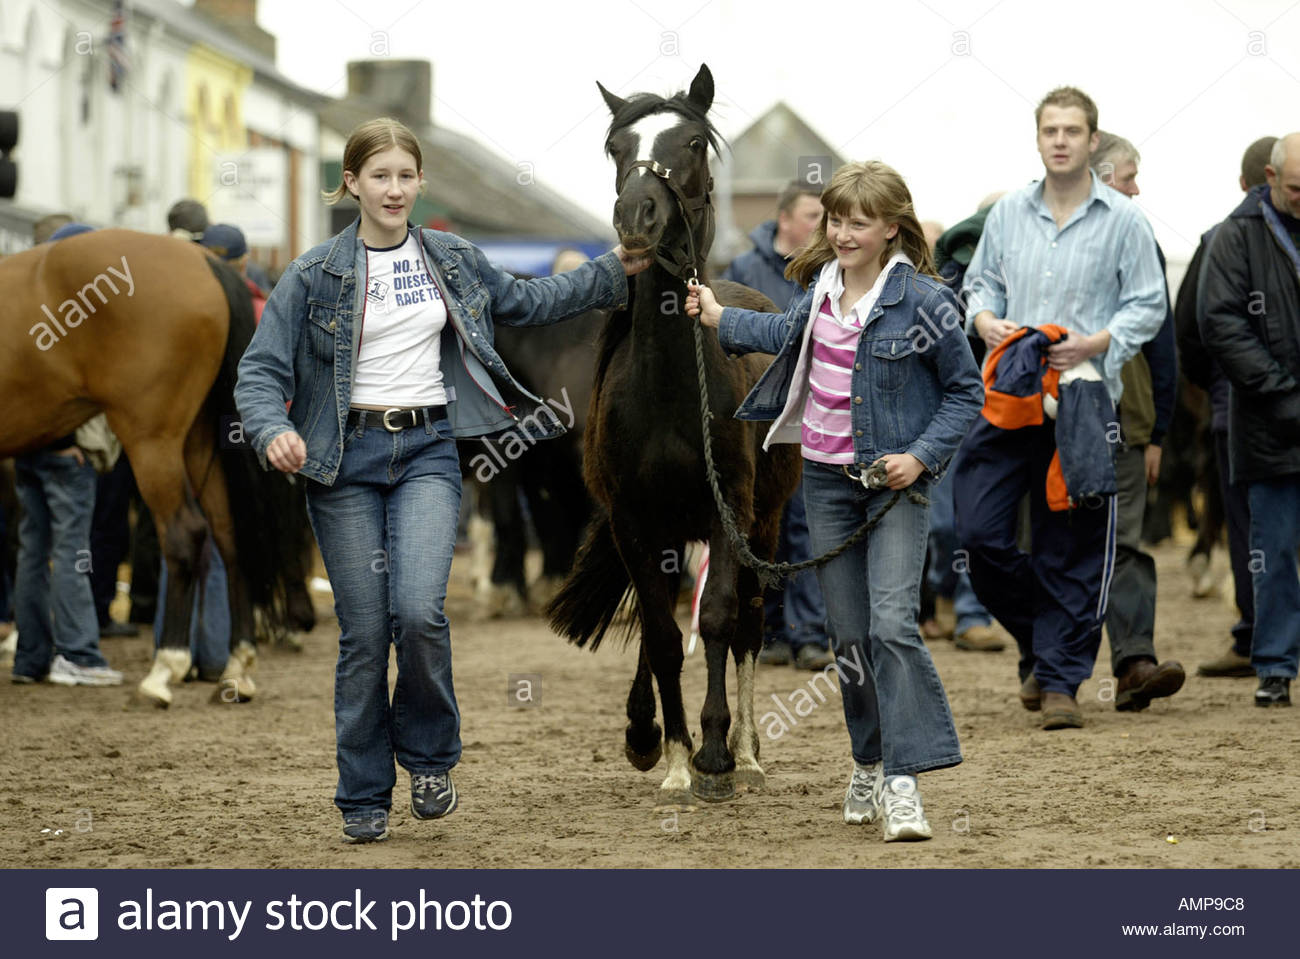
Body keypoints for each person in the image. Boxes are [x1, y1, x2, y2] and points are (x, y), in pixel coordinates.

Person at [235, 117, 648, 844]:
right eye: (380, 176)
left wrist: (611, 265)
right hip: (343, 464)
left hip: (427, 451)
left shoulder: (452, 258)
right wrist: (274, 429)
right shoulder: (312, 274)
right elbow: (260, 373)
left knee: (420, 612)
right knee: (364, 631)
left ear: (420, 183)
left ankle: (429, 758)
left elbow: (533, 302)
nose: (394, 189)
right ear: (353, 183)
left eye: (405, 176)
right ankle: (363, 789)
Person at [687, 160, 983, 842]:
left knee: (892, 628)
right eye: (837, 220)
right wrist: (716, 315)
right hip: (823, 483)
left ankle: (905, 782)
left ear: (891, 228)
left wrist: (921, 456)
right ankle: (868, 760)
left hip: (893, 486)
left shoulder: (926, 303)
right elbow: (781, 337)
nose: (845, 233)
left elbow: (967, 392)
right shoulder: (820, 288)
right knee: (849, 641)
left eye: (859, 222)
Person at [954, 87, 1166, 730]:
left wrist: (1102, 340)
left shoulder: (1126, 222)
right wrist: (985, 316)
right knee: (980, 533)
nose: (1062, 140)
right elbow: (981, 280)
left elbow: (1148, 303)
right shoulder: (1009, 213)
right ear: (1039, 137)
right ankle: (1042, 641)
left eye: (1074, 130)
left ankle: (1061, 684)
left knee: (1070, 543)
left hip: (1084, 395)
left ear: (1093, 140)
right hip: (1012, 388)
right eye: (1051, 129)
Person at [1200, 132, 1300, 708]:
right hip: (1270, 427)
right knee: (1275, 549)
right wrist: (1283, 396)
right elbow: (1221, 324)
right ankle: (1277, 665)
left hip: (1273, 418)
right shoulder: (1235, 238)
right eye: (1295, 188)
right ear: (1269, 176)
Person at [1088, 132, 1186, 711]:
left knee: (1125, 542)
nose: (1137, 187)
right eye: (1128, 176)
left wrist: (1159, 432)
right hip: (1054, 419)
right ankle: (1047, 672)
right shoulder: (1036, 236)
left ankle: (1133, 665)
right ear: (1098, 178)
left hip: (1128, 421)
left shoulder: (1140, 238)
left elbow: (1162, 342)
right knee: (1053, 544)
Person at [723, 180, 833, 669]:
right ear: (784, 218)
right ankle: (766, 630)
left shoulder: (830, 271)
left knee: (807, 523)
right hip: (755, 422)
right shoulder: (742, 271)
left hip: (816, 414)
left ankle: (809, 633)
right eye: (813, 215)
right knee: (762, 522)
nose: (822, 226)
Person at [1178, 135, 1276, 679]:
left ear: (1243, 184)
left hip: (1232, 410)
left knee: (1245, 526)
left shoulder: (1216, 240)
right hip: (1242, 408)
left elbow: (1189, 331)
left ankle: (1255, 635)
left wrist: (1214, 388)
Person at [10, 223, 124, 687]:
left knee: (33, 551)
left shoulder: (26, 310)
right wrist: (64, 441)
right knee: (73, 551)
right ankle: (77, 654)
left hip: (26, 446)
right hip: (66, 452)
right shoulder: (75, 315)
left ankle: (30, 658)